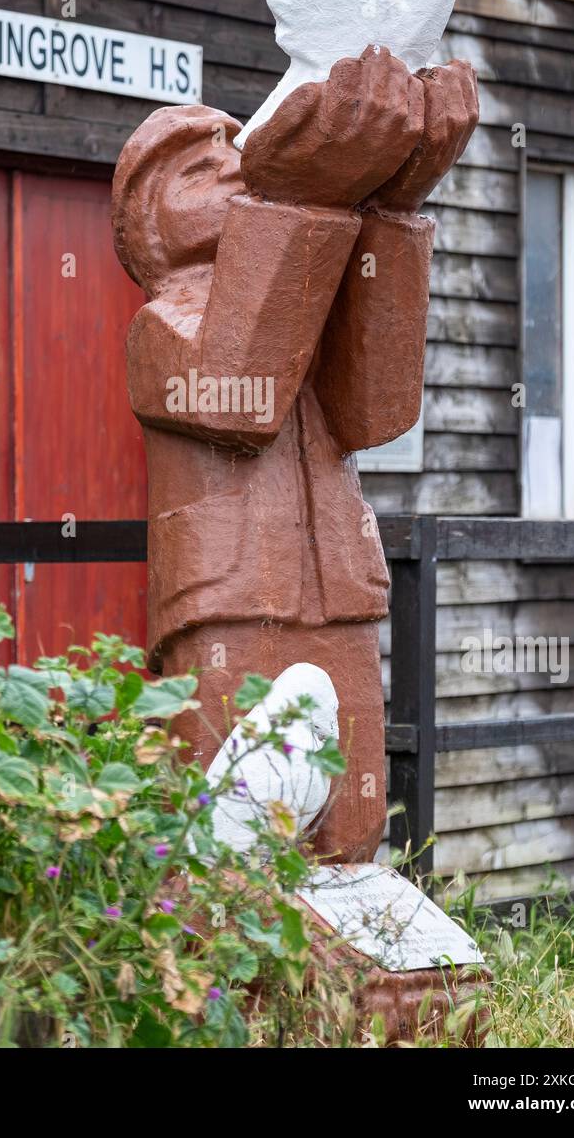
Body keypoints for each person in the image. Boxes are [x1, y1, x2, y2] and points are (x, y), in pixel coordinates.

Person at [112, 45, 479, 861]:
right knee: (226, 827)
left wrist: (392, 205)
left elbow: (375, 410)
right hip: (230, 597)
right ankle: (236, 972)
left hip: (340, 588)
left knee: (352, 814)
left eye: (236, 153)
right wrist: (306, 198)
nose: (234, 171)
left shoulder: (298, 280)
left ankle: (359, 959)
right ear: (147, 227)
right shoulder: (160, 325)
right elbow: (243, 395)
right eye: (199, 174)